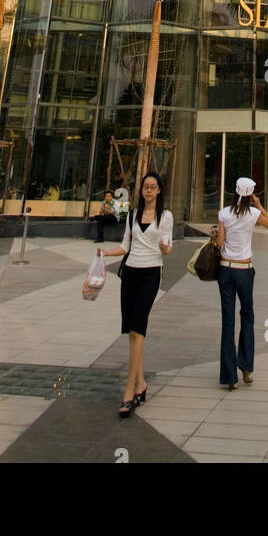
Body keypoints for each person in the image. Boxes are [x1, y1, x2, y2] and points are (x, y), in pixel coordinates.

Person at [100, 171, 173, 417]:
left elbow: (168, 247)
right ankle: (141, 384)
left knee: (138, 328)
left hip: (151, 274)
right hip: (130, 274)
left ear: (160, 190)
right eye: (145, 186)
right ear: (141, 190)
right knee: (131, 331)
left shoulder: (166, 217)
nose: (149, 190)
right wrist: (105, 254)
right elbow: (125, 246)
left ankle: (129, 390)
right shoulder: (132, 215)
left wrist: (164, 247)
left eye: (153, 186)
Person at [215, 176, 268, 390]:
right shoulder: (253, 214)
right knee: (247, 317)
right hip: (244, 270)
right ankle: (246, 367)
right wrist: (259, 205)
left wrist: (217, 234)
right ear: (250, 195)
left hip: (225, 270)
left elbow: (220, 242)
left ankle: (230, 377)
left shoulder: (224, 213)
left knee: (228, 321)